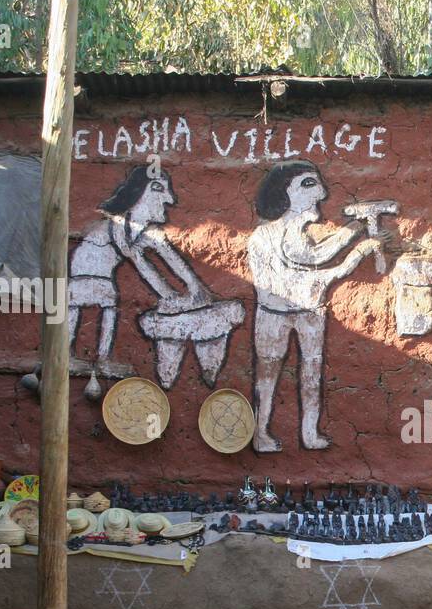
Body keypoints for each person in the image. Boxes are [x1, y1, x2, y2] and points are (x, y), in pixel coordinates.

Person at [246, 160, 386, 452]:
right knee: (268, 376)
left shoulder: (293, 231)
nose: (320, 194)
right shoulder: (269, 235)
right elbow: (313, 258)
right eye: (307, 184)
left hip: (308, 311)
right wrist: (358, 240)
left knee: (311, 373)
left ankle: (309, 433)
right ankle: (261, 432)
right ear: (285, 193)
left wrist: (355, 232)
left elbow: (316, 259)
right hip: (274, 315)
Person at [68, 166, 212, 364]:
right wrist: (170, 297)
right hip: (85, 271)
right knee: (97, 302)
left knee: (108, 305)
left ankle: (102, 358)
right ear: (145, 193)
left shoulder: (146, 230)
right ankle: (79, 355)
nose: (169, 199)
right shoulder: (119, 225)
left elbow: (170, 256)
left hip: (102, 274)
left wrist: (195, 288)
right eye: (161, 190)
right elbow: (140, 264)